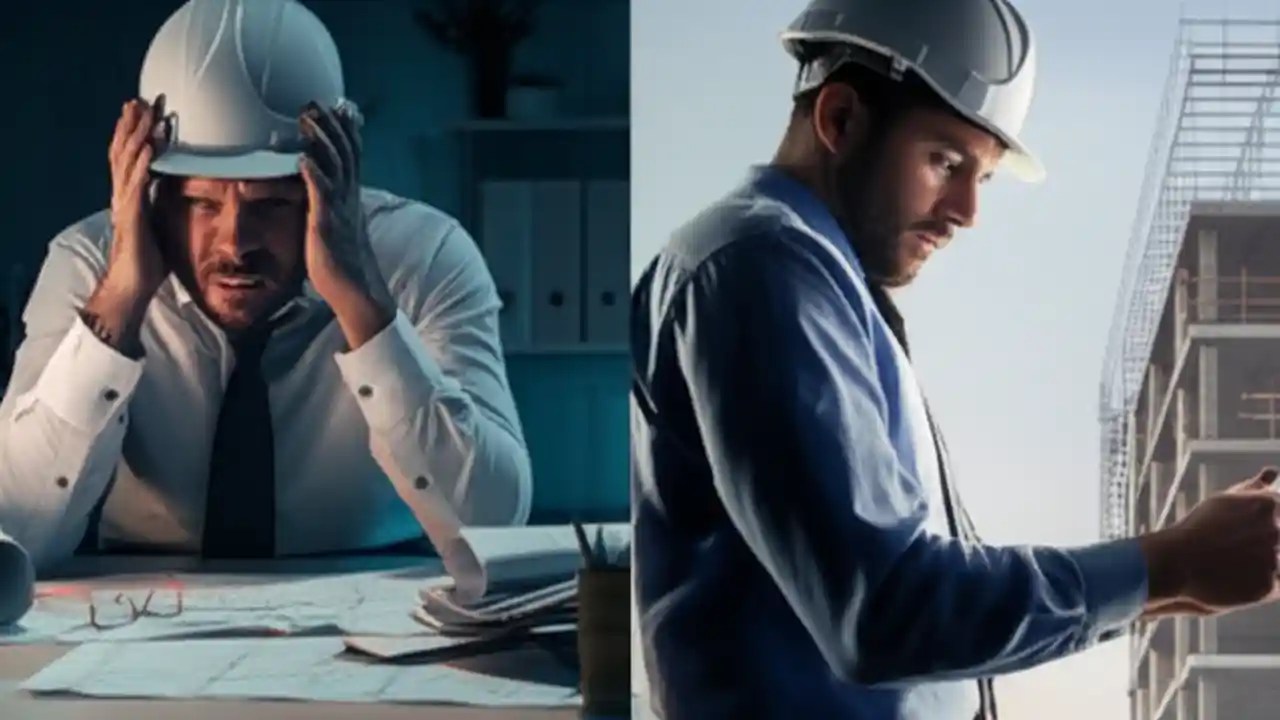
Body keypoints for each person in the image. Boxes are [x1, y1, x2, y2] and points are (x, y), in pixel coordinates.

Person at [629, 1, 1280, 718]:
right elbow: (885, 610)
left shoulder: (814, 282)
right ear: (840, 119)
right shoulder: (763, 269)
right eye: (945, 162)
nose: (968, 210)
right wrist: (1170, 563)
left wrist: (1178, 579)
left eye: (984, 177)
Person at [0, 0, 532, 571]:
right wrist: (117, 306)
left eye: (273, 204)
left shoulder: (427, 258)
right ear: (149, 188)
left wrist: (363, 302)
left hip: (376, 591)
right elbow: (16, 533)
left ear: (331, 180)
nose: (234, 244)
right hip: (145, 597)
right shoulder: (87, 263)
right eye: (201, 203)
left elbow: (493, 526)